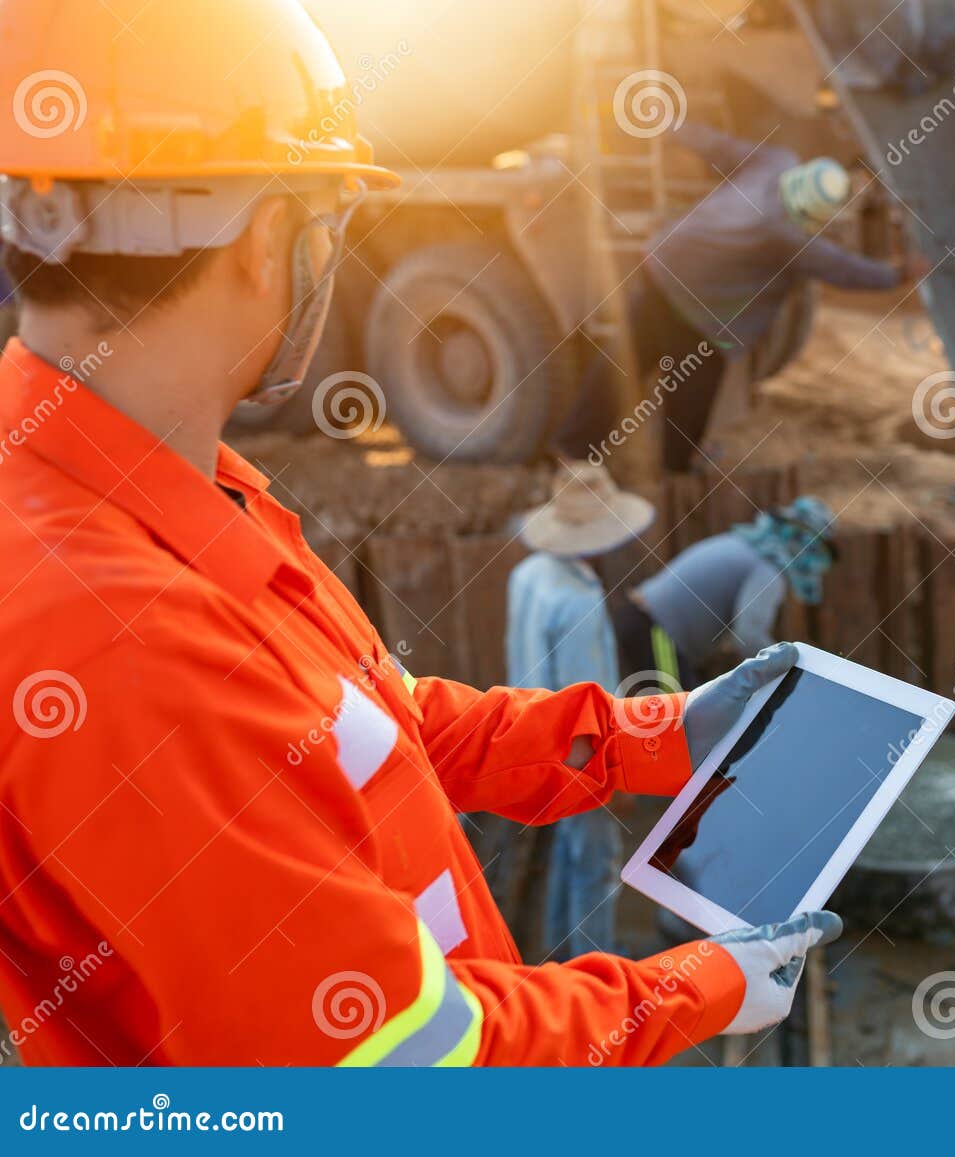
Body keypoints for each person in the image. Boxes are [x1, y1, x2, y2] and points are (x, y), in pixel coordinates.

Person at [0, 0, 839, 1067]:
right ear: (272, 242)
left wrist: (658, 737)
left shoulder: (158, 494)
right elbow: (399, 1063)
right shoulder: (120, 634)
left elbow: (379, 732)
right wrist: (695, 987)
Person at [560, 123, 920, 471]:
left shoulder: (777, 162)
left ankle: (573, 446)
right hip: (696, 303)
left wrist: (674, 127)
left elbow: (721, 146)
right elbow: (846, 270)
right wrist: (900, 273)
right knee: (694, 385)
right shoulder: (787, 237)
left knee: (627, 358)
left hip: (661, 262)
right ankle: (677, 467)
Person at [505, 462, 655, 961]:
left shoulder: (527, 576)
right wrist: (611, 775)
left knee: (567, 857)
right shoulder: (580, 601)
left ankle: (559, 962)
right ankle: (598, 976)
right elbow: (587, 705)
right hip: (577, 756)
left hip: (532, 736)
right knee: (594, 864)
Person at [620, 497, 838, 691]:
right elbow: (748, 636)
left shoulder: (743, 544)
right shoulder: (768, 570)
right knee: (685, 721)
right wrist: (789, 672)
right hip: (657, 633)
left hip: (642, 623)